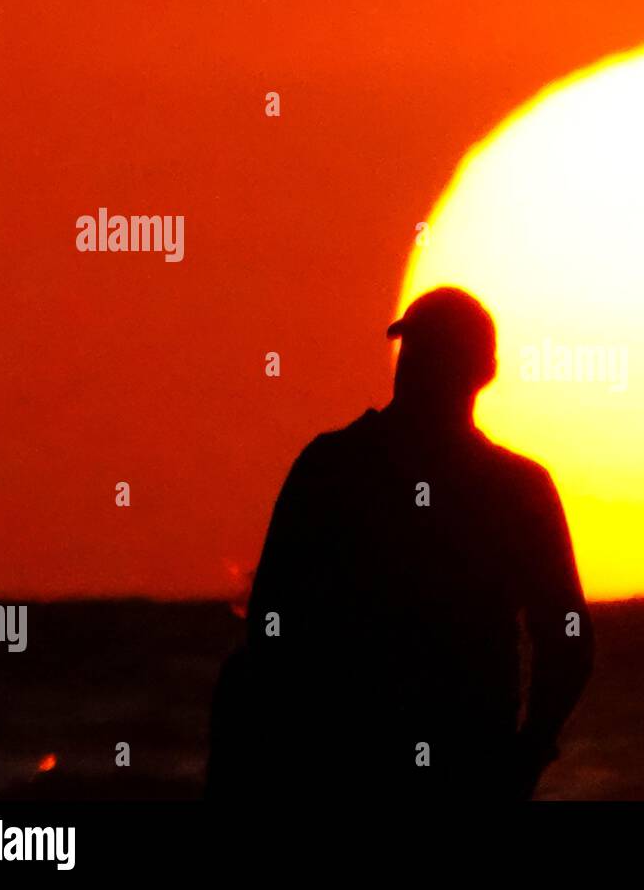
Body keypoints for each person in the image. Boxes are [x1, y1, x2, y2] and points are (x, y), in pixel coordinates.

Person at [207, 287, 594, 800]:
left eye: (432, 353)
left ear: (479, 372)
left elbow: (567, 638)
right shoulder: (339, 469)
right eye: (414, 351)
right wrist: (527, 751)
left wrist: (529, 750)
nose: (416, 367)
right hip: (379, 766)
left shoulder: (335, 468)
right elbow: (271, 623)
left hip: (400, 767)